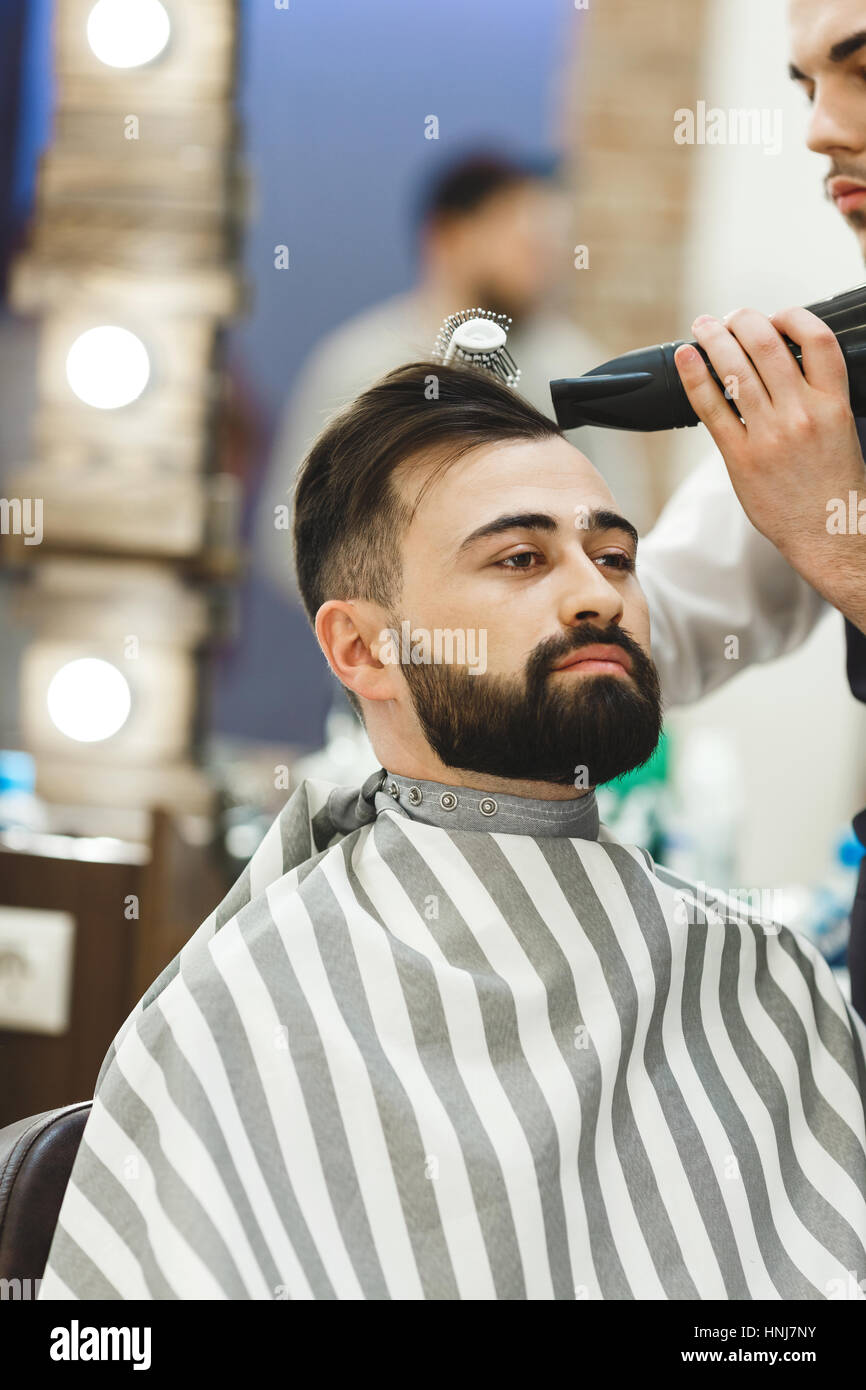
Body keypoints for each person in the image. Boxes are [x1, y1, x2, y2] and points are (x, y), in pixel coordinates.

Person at [39, 361, 866, 1301]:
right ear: (361, 649)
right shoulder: (239, 1015)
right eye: (520, 559)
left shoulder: (762, 978)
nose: (596, 595)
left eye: (616, 557)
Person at [254, 148, 653, 610]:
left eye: (552, 248)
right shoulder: (360, 366)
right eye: (528, 242)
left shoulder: (575, 369)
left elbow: (629, 523)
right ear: (450, 236)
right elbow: (288, 536)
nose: (545, 265)